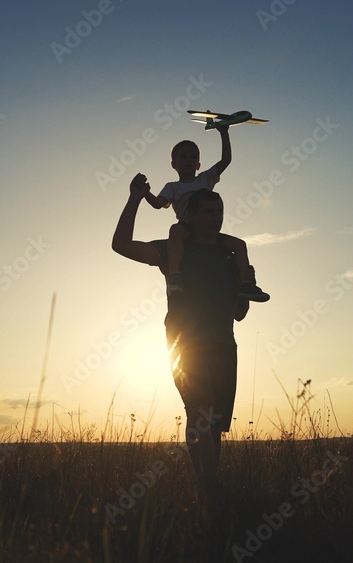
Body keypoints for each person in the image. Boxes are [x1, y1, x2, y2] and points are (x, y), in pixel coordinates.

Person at [112, 174, 253, 490]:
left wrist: (245, 287)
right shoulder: (174, 249)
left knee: (212, 425)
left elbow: (239, 314)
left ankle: (207, 484)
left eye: (219, 213)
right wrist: (135, 198)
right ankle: (211, 484)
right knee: (200, 411)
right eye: (207, 212)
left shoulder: (230, 257)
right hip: (184, 344)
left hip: (224, 346)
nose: (215, 219)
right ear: (191, 215)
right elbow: (120, 245)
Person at [140, 124, 269, 302]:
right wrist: (144, 193)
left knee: (239, 245)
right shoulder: (173, 187)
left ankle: (245, 283)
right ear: (174, 164)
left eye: (193, 157)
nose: (188, 160)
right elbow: (157, 203)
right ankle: (175, 274)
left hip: (209, 230)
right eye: (183, 157)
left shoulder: (205, 179)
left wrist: (224, 133)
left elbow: (226, 160)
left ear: (198, 164)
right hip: (187, 229)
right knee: (175, 230)